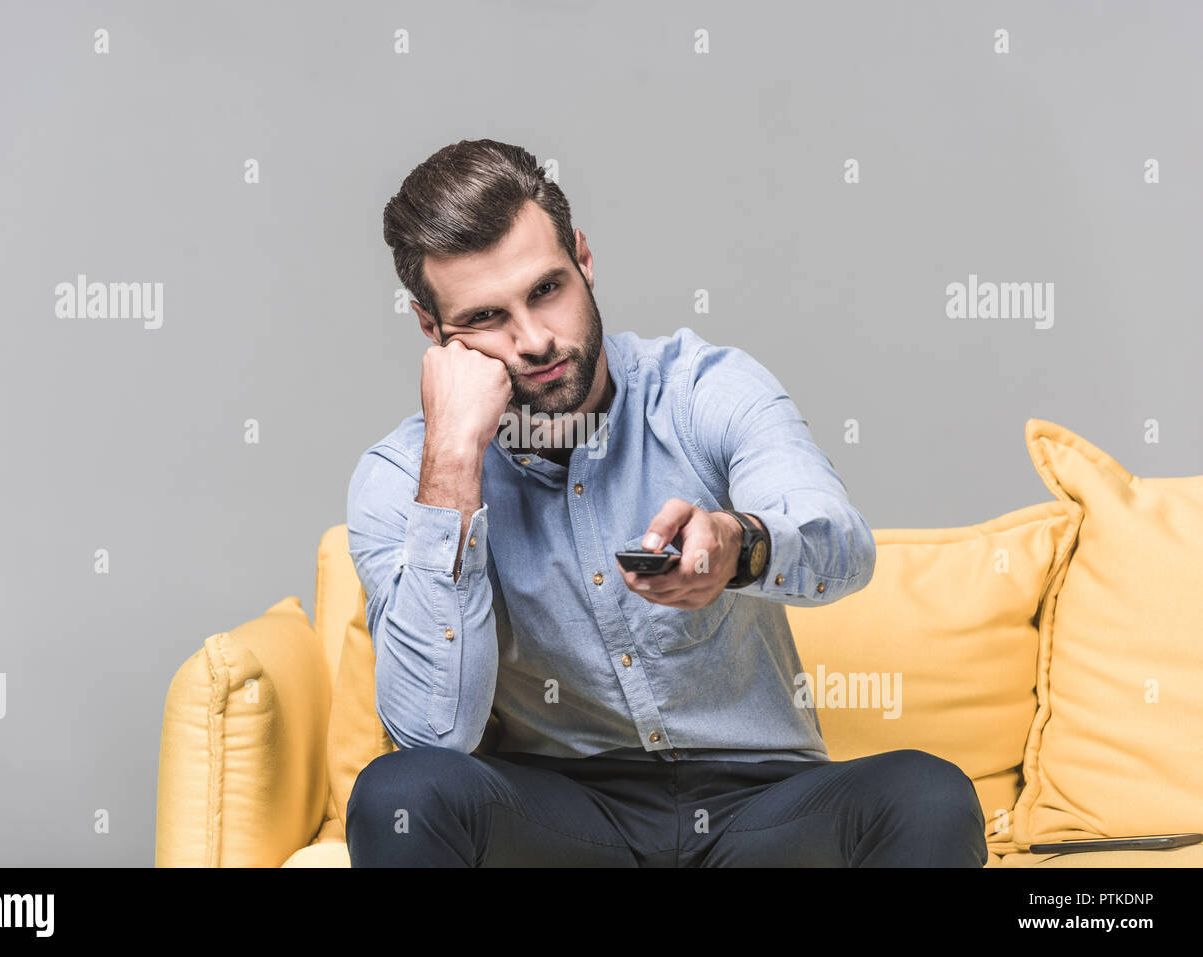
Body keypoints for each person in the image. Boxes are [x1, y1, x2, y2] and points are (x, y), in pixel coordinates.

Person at [343, 138, 987, 867]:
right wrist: (455, 460)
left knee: (926, 792)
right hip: (566, 815)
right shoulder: (405, 477)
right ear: (434, 331)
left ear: (583, 257)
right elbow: (434, 738)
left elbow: (841, 544)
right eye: (487, 317)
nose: (534, 340)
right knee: (401, 791)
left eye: (547, 288)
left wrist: (739, 544)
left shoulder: (703, 388)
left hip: (761, 803)